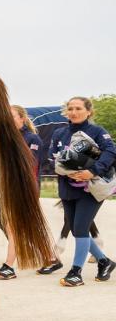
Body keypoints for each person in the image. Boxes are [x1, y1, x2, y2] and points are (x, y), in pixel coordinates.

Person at [48, 97, 115, 286]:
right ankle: (104, 262)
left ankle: (75, 272)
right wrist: (67, 170)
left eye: (78, 108)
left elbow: (111, 152)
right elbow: (51, 158)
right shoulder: (59, 133)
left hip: (91, 190)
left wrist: (91, 171)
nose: (73, 112)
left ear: (88, 112)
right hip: (67, 188)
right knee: (79, 231)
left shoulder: (97, 131)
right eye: (70, 108)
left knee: (80, 228)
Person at [0, 106, 46, 279]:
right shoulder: (5, 139)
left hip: (24, 189)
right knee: (20, 226)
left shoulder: (32, 138)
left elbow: (29, 164)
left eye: (12, 116)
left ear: (22, 118)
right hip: (6, 187)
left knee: (13, 227)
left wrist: (2, 161)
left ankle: (8, 266)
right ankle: (51, 258)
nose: (8, 119)